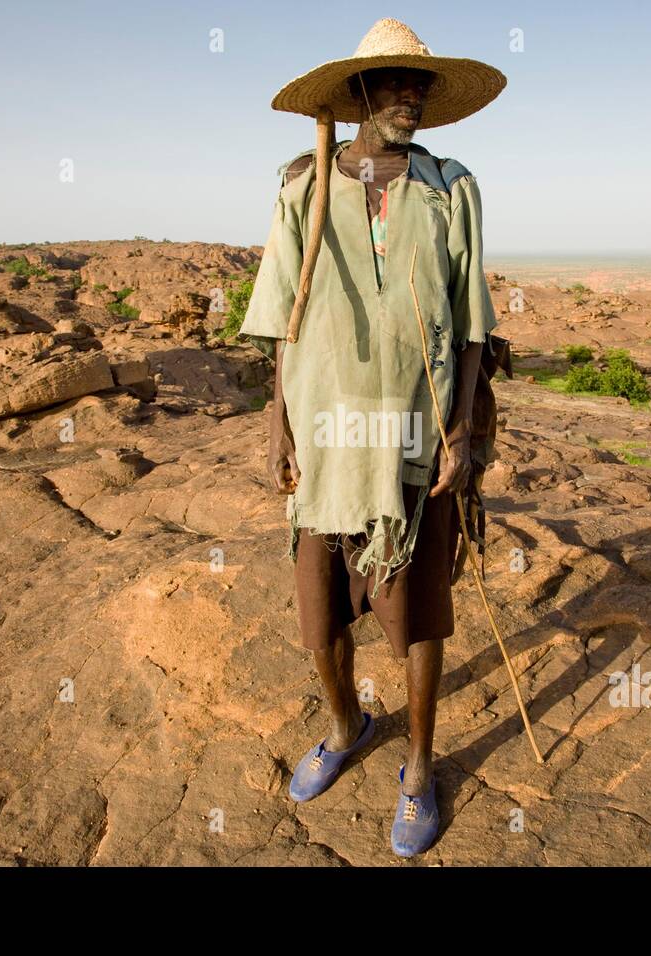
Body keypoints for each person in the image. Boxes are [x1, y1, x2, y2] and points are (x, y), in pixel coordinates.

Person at [238, 18, 505, 857]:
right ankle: (348, 721)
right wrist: (276, 423)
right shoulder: (301, 193)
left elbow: (469, 325)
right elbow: (282, 320)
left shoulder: (449, 189)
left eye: (421, 87)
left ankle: (421, 768)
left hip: (415, 437)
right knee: (321, 620)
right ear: (356, 94)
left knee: (418, 616)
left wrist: (461, 428)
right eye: (394, 84)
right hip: (323, 435)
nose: (410, 99)